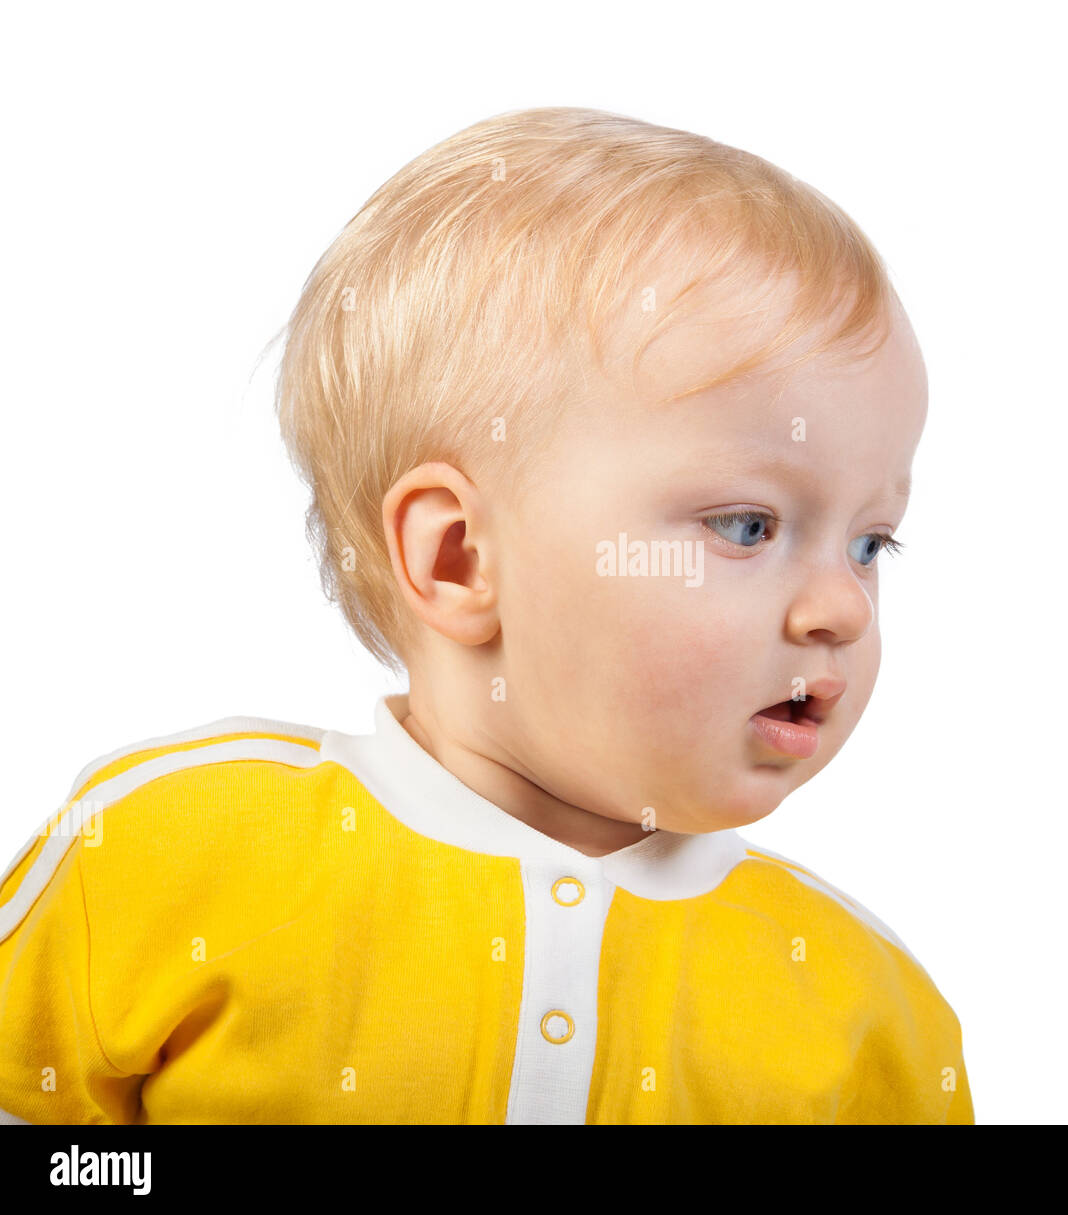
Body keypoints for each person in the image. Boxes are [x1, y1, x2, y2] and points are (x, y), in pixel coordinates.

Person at [0, 107, 973, 1124]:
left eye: (871, 543)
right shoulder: (167, 856)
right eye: (745, 525)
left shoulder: (864, 1006)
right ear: (458, 556)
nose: (840, 608)